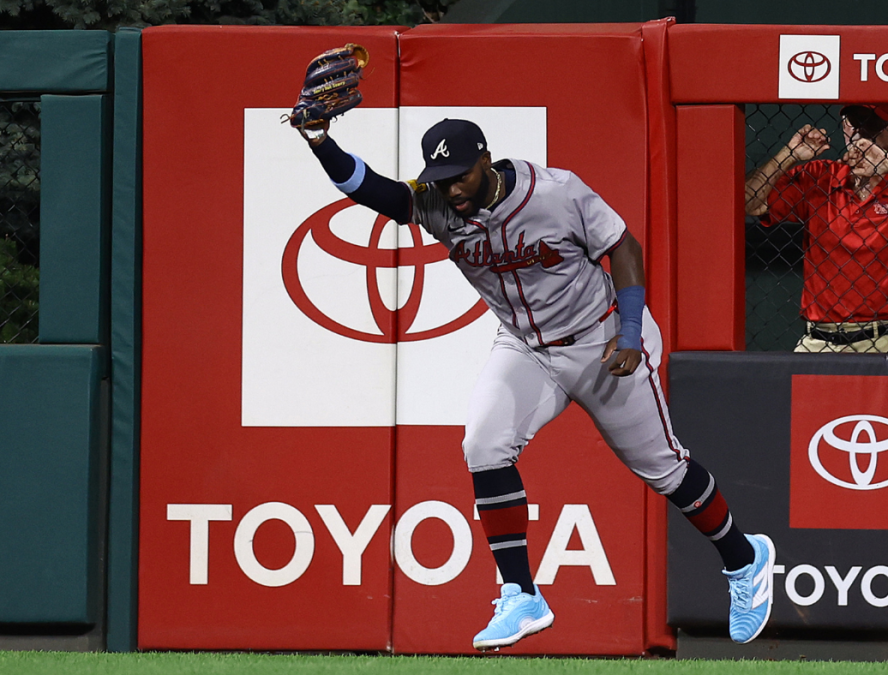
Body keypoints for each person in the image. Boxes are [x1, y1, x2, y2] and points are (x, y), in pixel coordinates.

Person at [301, 117, 775, 649]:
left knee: (664, 470)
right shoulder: (437, 202)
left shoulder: (555, 191)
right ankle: (522, 593)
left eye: (460, 175)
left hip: (600, 340)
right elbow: (371, 189)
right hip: (524, 346)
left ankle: (743, 558)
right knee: (482, 444)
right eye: (442, 177)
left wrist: (630, 329)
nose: (452, 188)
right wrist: (321, 141)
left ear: (485, 161)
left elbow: (623, 248)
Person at [744, 104, 888, 353]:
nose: (862, 134)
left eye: (874, 126)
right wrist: (789, 154)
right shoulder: (818, 176)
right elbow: (749, 202)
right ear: (845, 127)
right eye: (856, 122)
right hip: (822, 340)